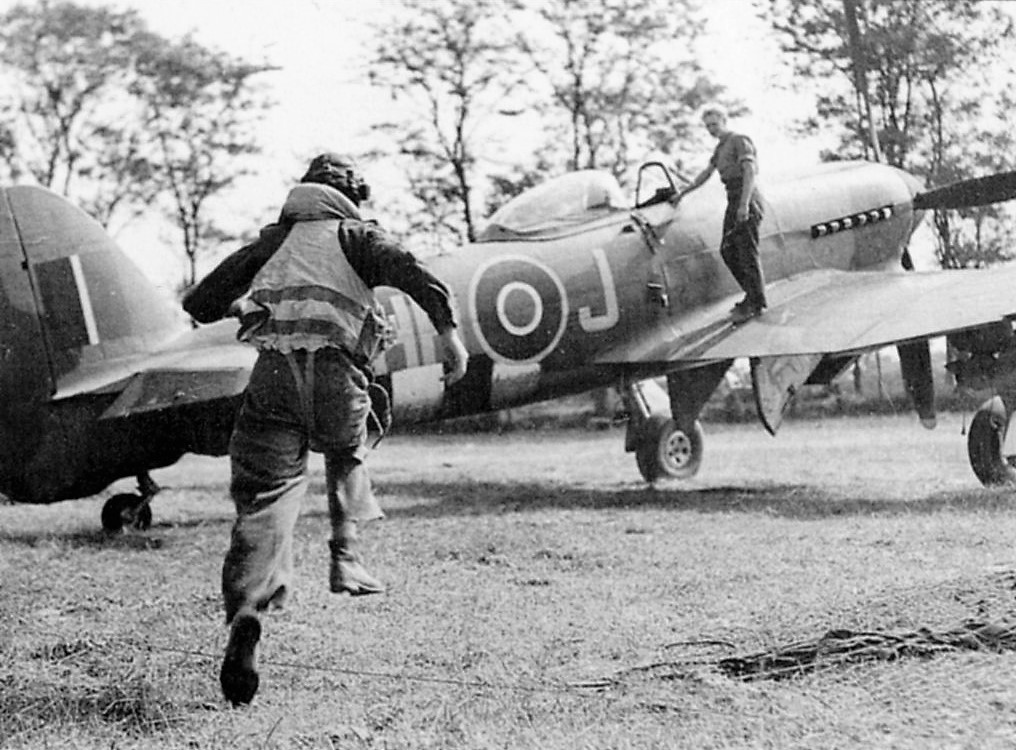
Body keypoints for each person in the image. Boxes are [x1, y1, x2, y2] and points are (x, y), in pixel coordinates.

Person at [182, 153, 469, 706]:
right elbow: (418, 275)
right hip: (339, 376)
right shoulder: (358, 236)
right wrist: (449, 335)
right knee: (350, 448)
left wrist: (245, 303)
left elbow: (199, 301)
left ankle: (248, 607)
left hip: (274, 380)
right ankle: (346, 557)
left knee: (266, 498)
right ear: (347, 195)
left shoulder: (272, 242)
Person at [675, 107, 767, 322]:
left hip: (747, 196)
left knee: (747, 252)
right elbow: (706, 174)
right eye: (707, 126)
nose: (711, 129)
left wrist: (744, 205)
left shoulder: (739, 140)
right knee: (728, 251)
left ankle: (757, 302)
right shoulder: (720, 148)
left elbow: (750, 172)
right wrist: (683, 193)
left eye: (714, 124)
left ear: (725, 121)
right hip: (733, 198)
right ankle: (752, 294)